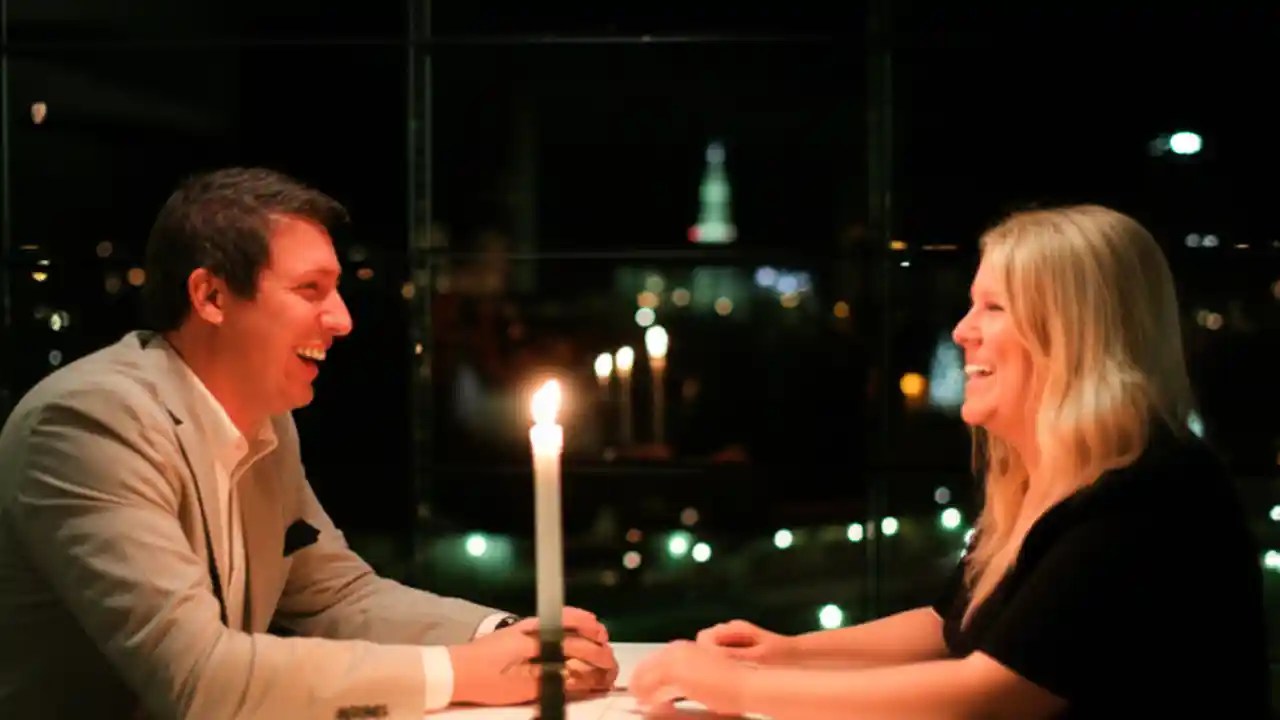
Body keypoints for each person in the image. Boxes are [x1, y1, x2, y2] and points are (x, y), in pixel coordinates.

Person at [0, 167, 618, 719]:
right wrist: (463, 673)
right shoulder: (88, 423)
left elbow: (337, 594)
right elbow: (195, 679)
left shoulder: (262, 415)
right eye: (311, 290)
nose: (344, 319)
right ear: (211, 297)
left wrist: (506, 638)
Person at [630, 205, 1270, 719]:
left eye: (993, 307)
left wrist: (741, 692)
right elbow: (950, 627)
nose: (963, 331)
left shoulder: (1149, 491)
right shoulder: (1065, 478)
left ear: (1073, 332)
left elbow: (989, 695)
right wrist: (785, 654)